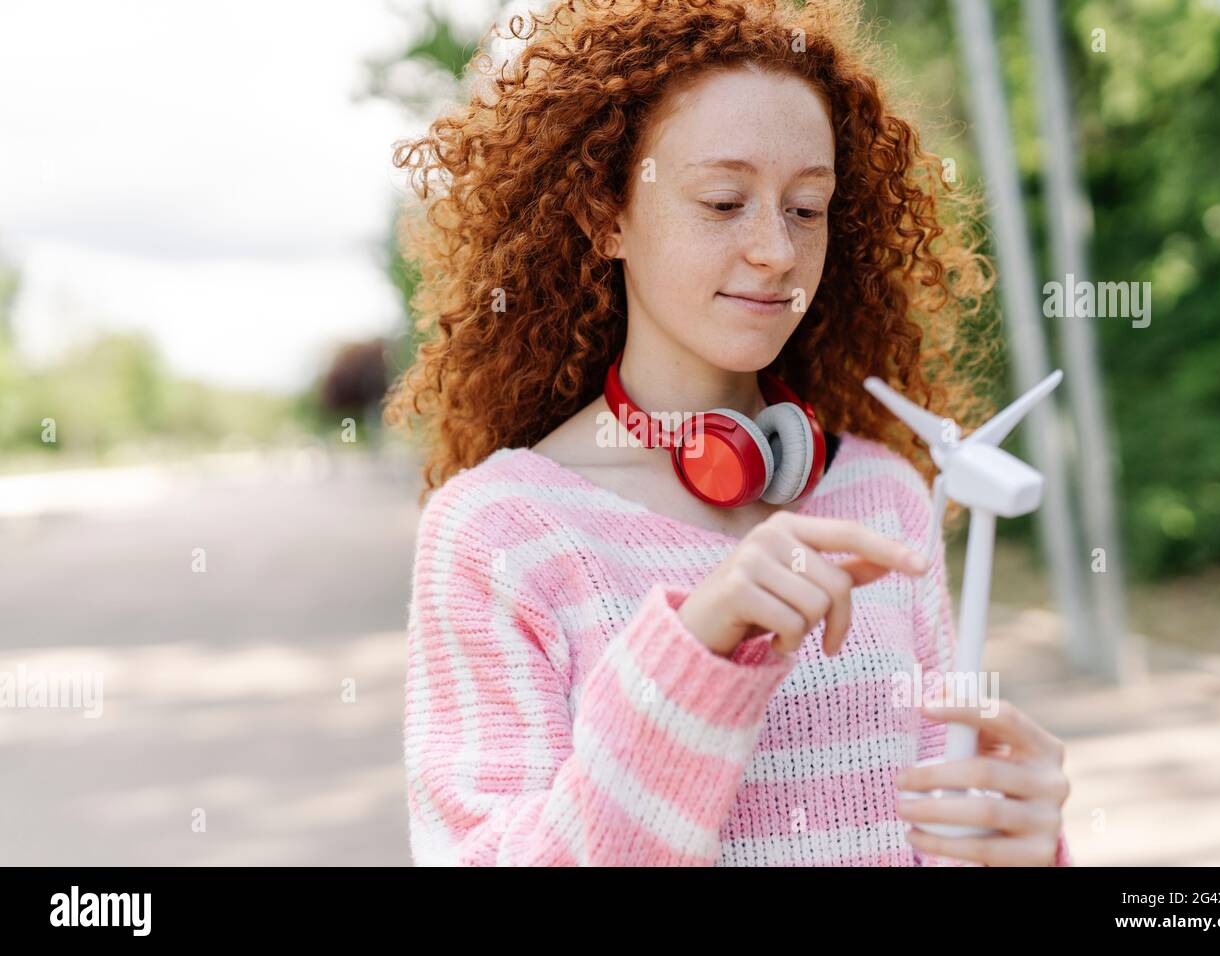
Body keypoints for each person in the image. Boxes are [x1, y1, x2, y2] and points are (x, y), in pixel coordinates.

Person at [385, 0, 1072, 866]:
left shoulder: (885, 497)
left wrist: (1024, 847)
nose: (776, 251)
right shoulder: (498, 533)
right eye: (721, 200)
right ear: (607, 217)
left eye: (807, 208)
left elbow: (942, 838)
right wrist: (695, 650)